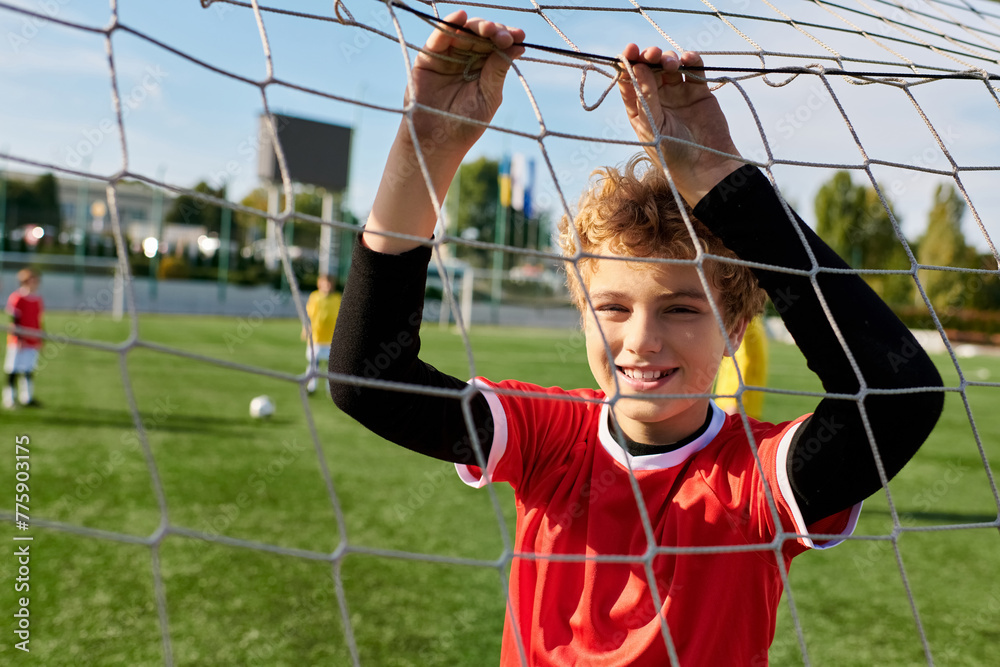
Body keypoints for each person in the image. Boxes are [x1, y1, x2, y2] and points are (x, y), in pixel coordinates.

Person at [329, 12, 944, 666]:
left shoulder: (752, 479)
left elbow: (898, 393)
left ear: (735, 328)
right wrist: (427, 148)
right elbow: (368, 378)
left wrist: (719, 177)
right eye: (613, 307)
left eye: (681, 308)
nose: (641, 340)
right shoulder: (548, 438)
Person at [714, 314, 769, 419]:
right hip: (744, 404)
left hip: (742, 404)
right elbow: (743, 360)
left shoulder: (748, 320)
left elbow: (744, 360)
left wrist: (733, 401)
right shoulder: (750, 321)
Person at [4, 267, 45, 409]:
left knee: (28, 369)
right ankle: (9, 398)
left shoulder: (37, 299)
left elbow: (38, 320)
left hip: (33, 339)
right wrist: (19, 338)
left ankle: (27, 397)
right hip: (19, 340)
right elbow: (14, 319)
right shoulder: (17, 297)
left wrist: (40, 338)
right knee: (13, 368)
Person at [302, 274, 341, 395]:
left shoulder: (337, 298)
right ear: (319, 284)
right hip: (316, 337)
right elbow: (309, 315)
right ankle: (311, 387)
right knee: (314, 364)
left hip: (331, 339)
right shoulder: (314, 297)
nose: (327, 287)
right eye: (324, 284)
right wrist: (306, 328)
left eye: (329, 284)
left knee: (331, 366)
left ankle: (331, 389)